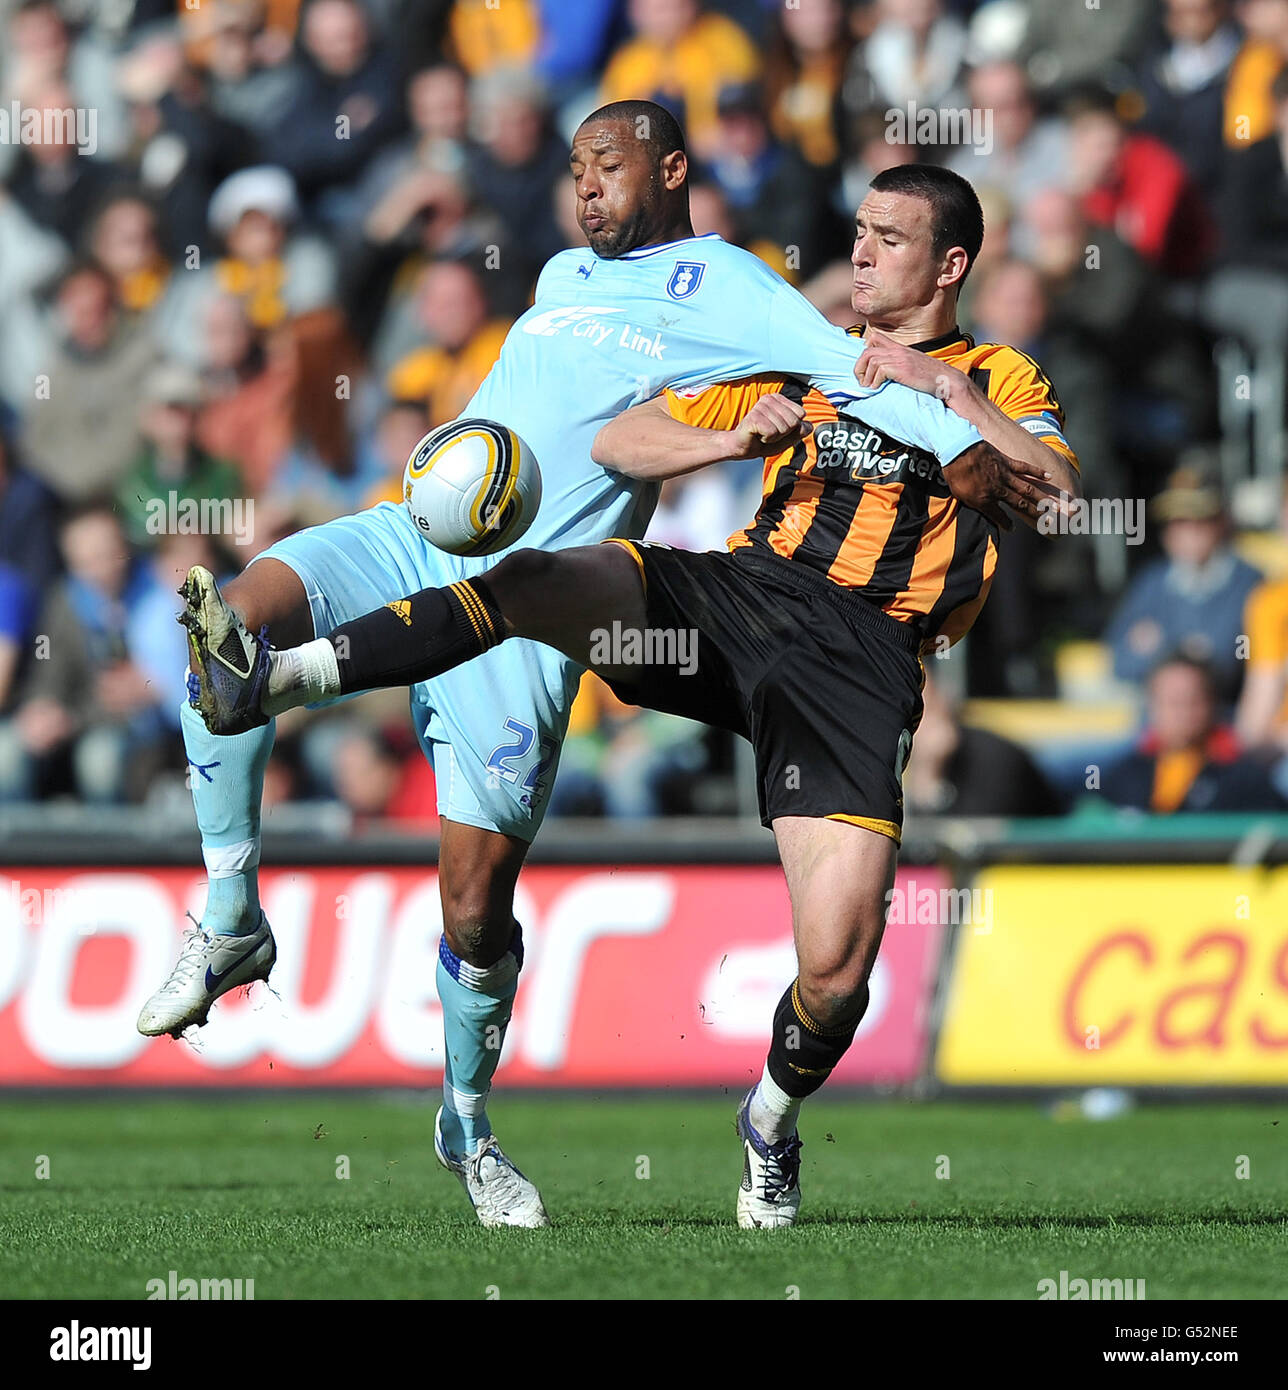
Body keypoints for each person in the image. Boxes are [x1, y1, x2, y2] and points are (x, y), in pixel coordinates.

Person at [141, 103, 1024, 1233]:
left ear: (670, 168)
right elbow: (590, 430)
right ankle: (229, 918)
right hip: (415, 534)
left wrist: (964, 435)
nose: (586, 188)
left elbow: (850, 370)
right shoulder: (558, 273)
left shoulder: (732, 287)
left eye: (606, 166)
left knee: (473, 913)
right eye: (573, 170)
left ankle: (467, 1120)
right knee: (229, 620)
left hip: (534, 613)